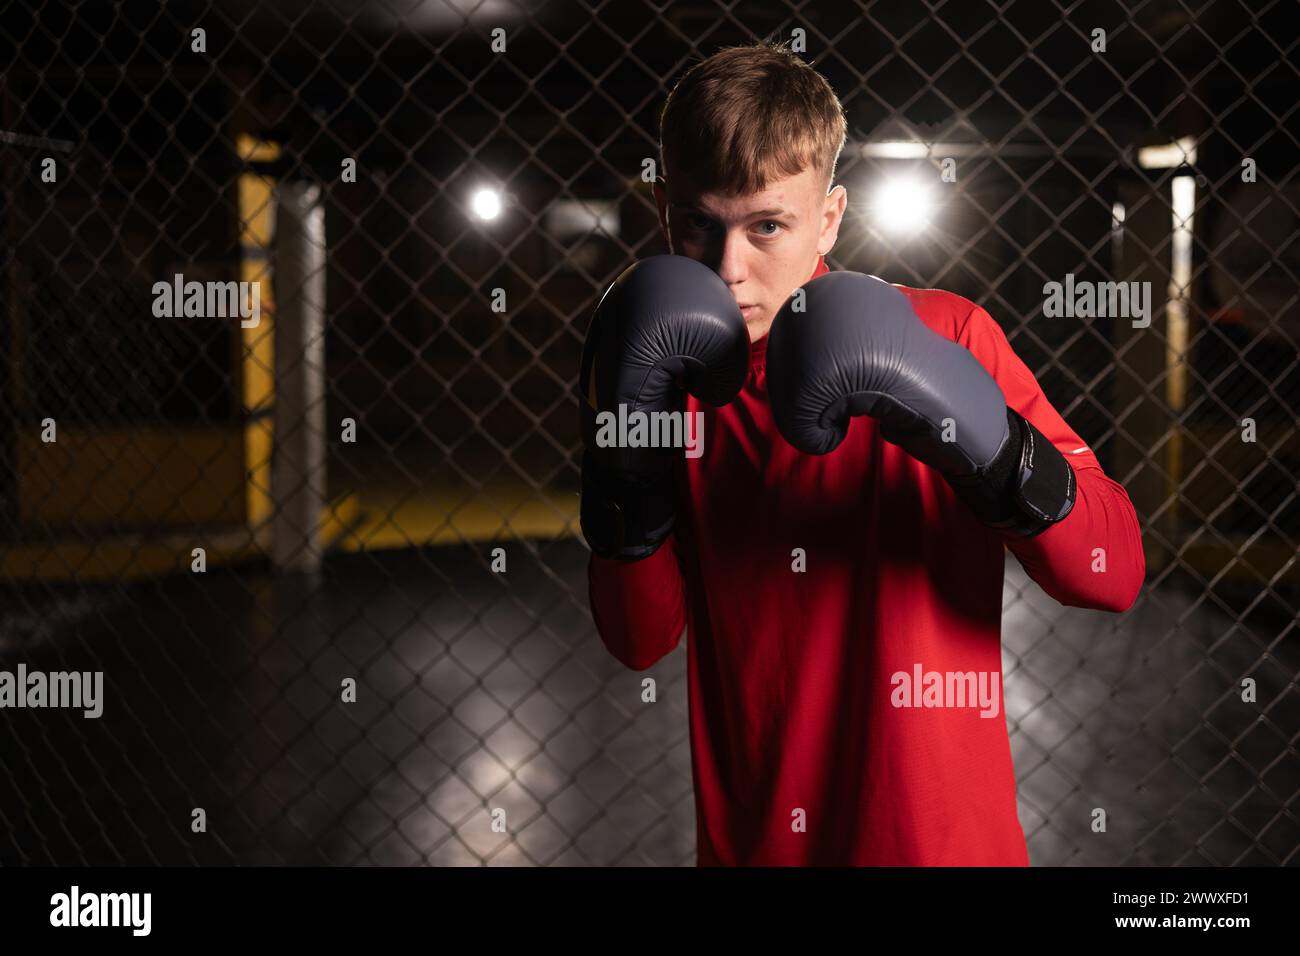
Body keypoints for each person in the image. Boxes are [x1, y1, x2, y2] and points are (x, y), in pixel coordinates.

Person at [578, 41, 1145, 866]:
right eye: (699, 223)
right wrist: (621, 465)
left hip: (942, 849)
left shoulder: (946, 334)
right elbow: (639, 640)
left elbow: (1112, 572)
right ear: (665, 208)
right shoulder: (667, 384)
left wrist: (987, 446)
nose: (729, 268)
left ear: (830, 217)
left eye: (767, 226)